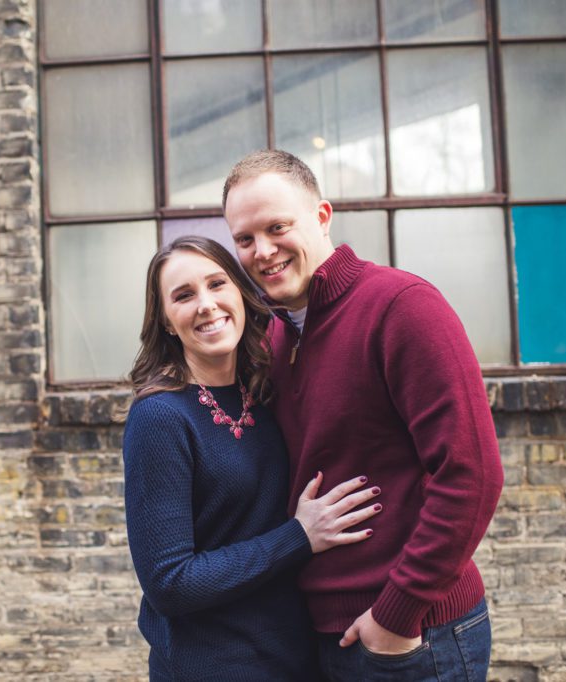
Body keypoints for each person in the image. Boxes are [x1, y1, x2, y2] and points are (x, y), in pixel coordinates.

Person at [222, 150, 505, 681]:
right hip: (318, 635)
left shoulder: (402, 306)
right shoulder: (271, 338)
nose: (263, 251)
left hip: (413, 636)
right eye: (244, 239)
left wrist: (397, 614)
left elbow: (473, 473)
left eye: (277, 227)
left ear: (322, 216)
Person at [122, 235, 384, 680]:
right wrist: (298, 536)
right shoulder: (160, 418)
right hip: (212, 666)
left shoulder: (263, 394)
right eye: (184, 296)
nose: (206, 304)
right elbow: (169, 582)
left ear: (241, 295)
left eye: (217, 284)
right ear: (167, 321)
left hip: (295, 657)